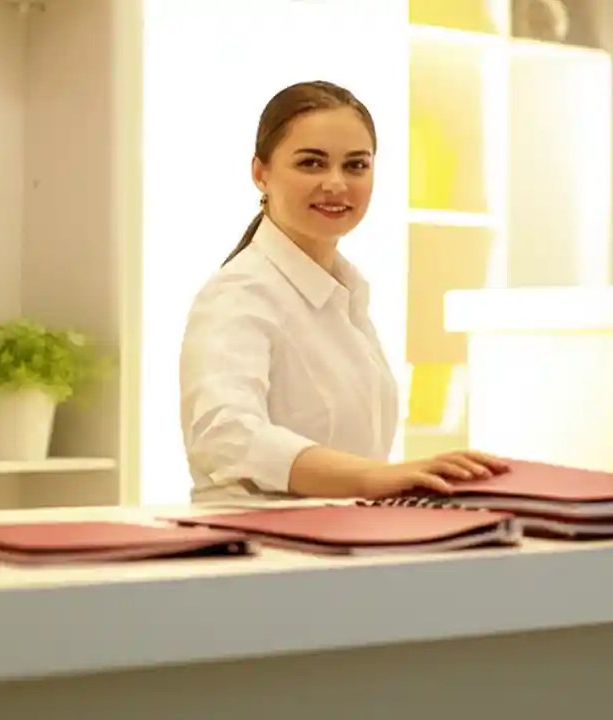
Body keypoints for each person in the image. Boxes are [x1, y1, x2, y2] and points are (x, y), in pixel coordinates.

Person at [179, 80, 509, 502]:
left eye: (355, 166)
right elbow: (225, 437)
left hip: (344, 542)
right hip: (263, 549)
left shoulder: (348, 293)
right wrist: (373, 478)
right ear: (260, 173)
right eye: (312, 164)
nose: (336, 183)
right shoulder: (239, 293)